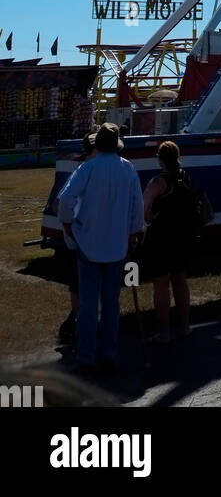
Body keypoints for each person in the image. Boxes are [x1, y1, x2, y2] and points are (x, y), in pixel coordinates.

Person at [56, 122, 145, 376]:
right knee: (111, 303)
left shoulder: (88, 168)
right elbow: (136, 206)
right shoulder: (127, 169)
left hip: (89, 244)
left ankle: (86, 356)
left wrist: (68, 224)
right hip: (117, 246)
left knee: (87, 304)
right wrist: (135, 233)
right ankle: (109, 354)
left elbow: (65, 199)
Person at [140, 141, 197, 344]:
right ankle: (184, 326)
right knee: (180, 281)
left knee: (161, 285)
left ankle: (163, 332)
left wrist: (147, 219)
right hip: (181, 237)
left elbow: (143, 208)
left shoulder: (157, 182)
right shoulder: (185, 177)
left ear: (160, 158)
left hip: (161, 239)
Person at [56, 132, 96, 346]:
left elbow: (61, 203)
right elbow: (61, 203)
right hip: (92, 240)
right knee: (84, 287)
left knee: (81, 287)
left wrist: (68, 226)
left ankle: (80, 326)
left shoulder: (81, 170)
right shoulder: (84, 171)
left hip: (83, 240)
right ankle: (81, 325)